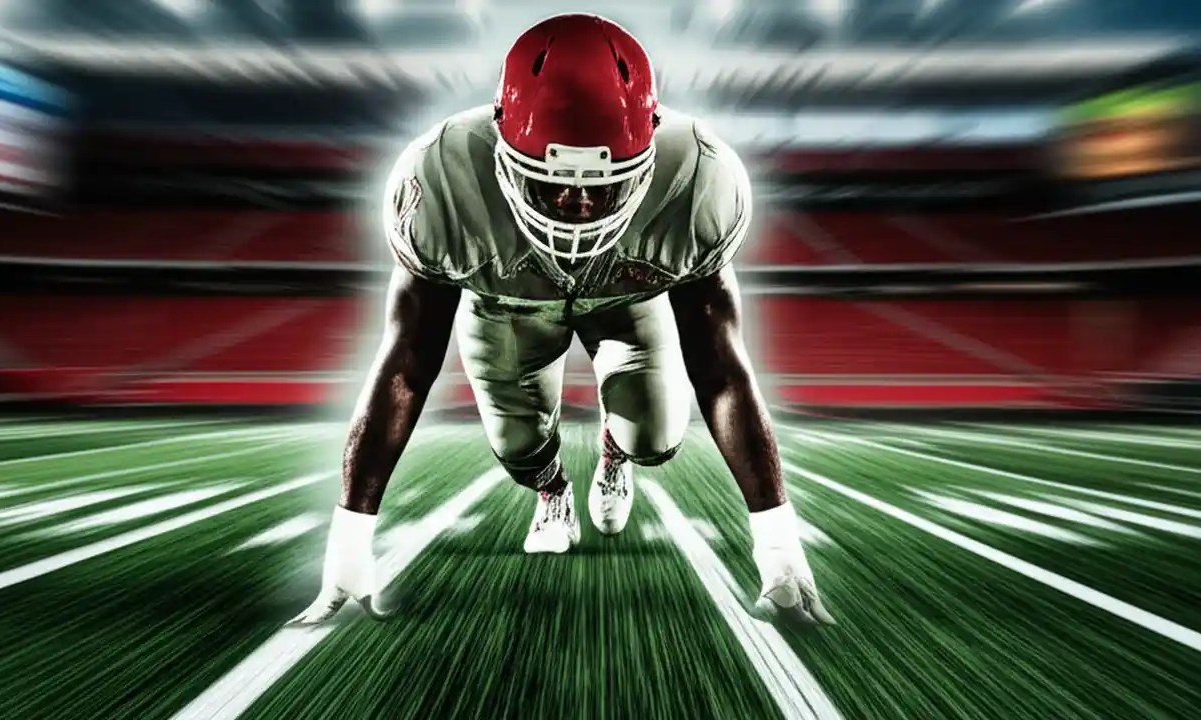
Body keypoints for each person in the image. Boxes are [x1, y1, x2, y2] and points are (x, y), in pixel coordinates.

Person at [290, 13, 833, 626]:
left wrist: (779, 548)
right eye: (552, 184)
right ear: (501, 144)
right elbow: (406, 366)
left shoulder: (698, 182)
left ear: (650, 151)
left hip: (627, 300)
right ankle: (553, 492)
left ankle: (613, 450)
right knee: (517, 447)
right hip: (509, 305)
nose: (577, 207)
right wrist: (349, 547)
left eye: (603, 187)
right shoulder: (440, 180)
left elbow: (722, 370)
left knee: (654, 437)